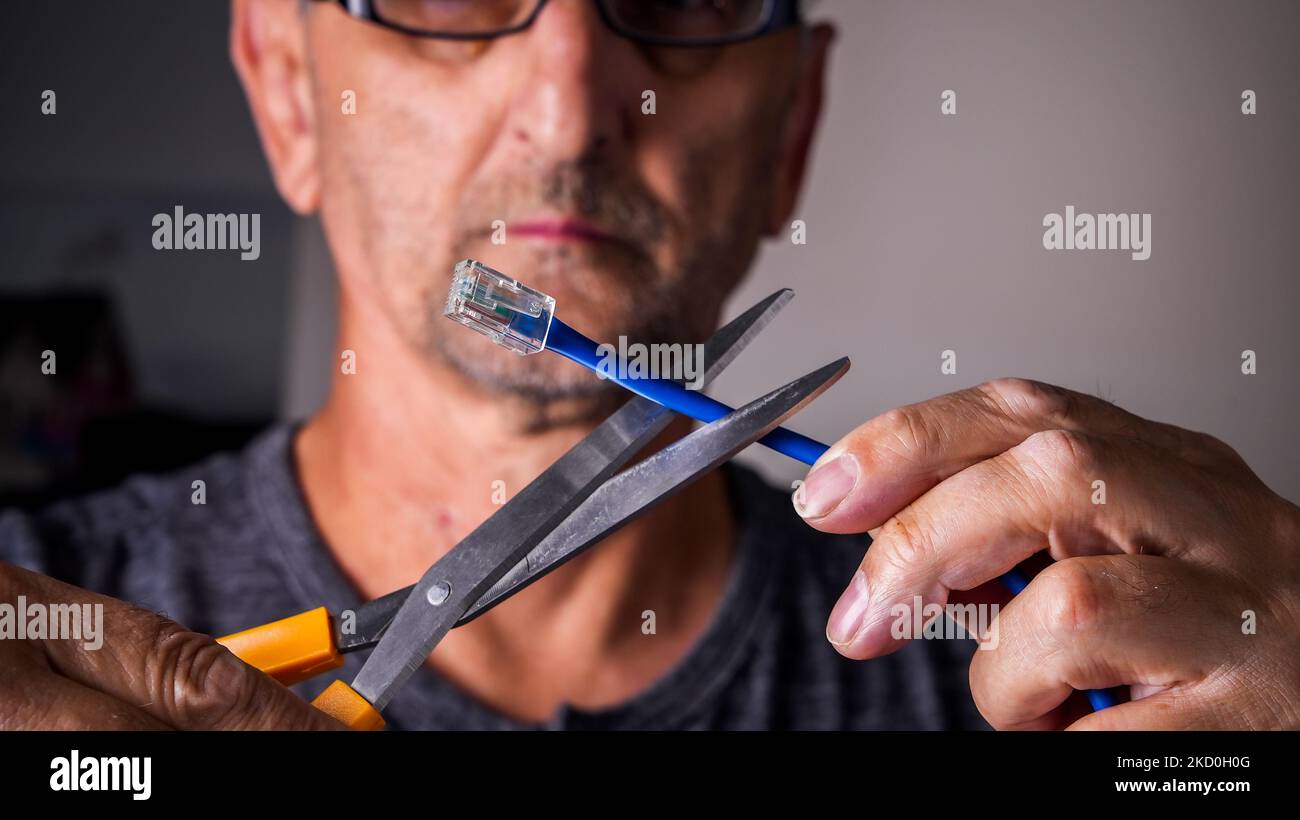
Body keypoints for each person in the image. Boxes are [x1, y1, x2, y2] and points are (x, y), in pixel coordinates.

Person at [1, 0, 1295, 730]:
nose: (572, 110)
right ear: (289, 93)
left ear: (794, 128)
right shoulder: (43, 641)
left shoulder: (1044, 677)